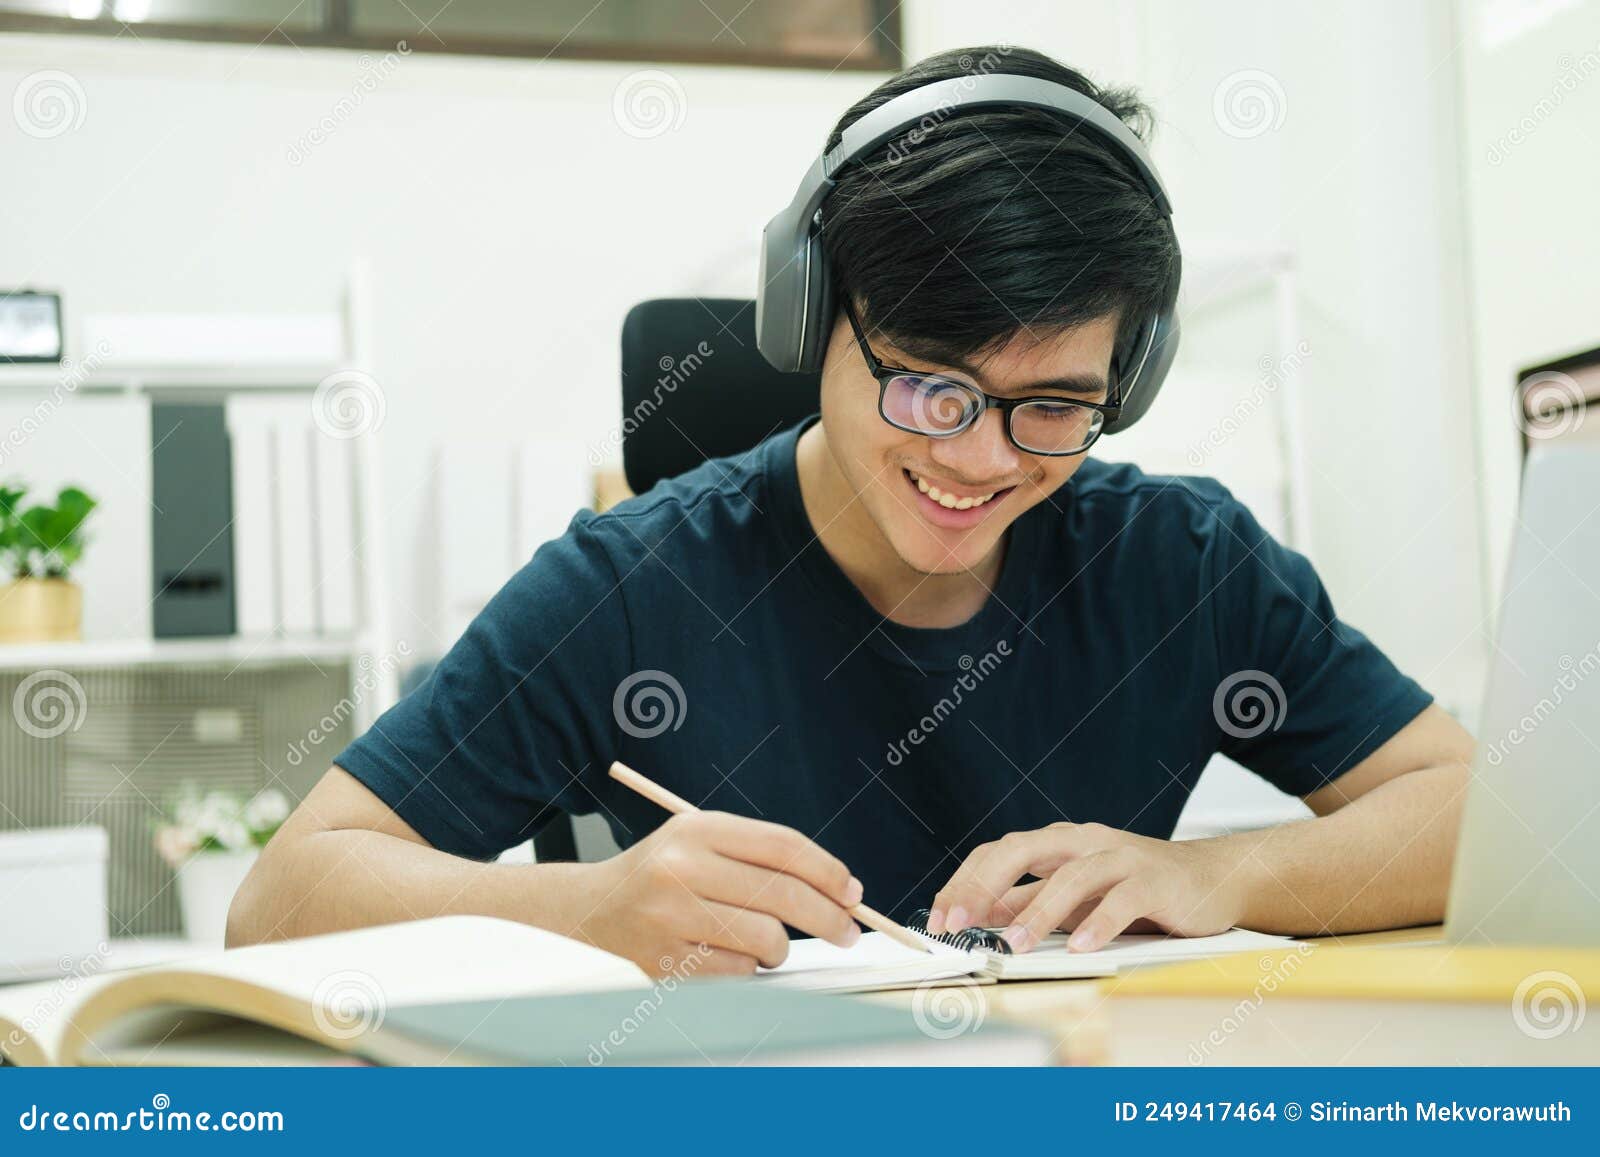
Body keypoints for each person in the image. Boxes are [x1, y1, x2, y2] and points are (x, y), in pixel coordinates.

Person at [229, 46, 1473, 975]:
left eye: (1051, 404)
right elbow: (283, 894)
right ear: (809, 313)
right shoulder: (629, 585)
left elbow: (1473, 806)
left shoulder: (1184, 563)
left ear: (1126, 383)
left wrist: (1219, 869)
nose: (981, 458)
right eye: (931, 384)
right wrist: (584, 909)